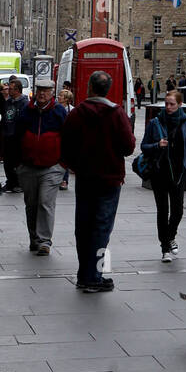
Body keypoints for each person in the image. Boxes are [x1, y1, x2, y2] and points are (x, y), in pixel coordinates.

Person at [60, 69, 136, 293]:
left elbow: (65, 147)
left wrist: (76, 166)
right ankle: (94, 277)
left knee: (83, 226)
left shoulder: (77, 114)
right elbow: (128, 146)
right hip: (110, 179)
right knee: (102, 228)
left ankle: (85, 275)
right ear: (108, 89)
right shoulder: (116, 113)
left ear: (89, 87)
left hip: (85, 178)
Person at [142, 88, 186, 260]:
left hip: (179, 173)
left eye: (172, 104)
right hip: (159, 172)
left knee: (178, 210)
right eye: (166, 103)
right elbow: (144, 146)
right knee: (162, 210)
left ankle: (171, 235)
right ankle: (165, 247)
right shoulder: (155, 122)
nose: (168, 107)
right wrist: (157, 145)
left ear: (180, 105)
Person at [15, 79, 68, 254]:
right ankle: (34, 238)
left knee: (45, 202)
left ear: (52, 92)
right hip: (28, 166)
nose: (42, 94)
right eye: (40, 90)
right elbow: (16, 136)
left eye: (46, 90)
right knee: (31, 204)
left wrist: (63, 164)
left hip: (52, 167)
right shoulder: (27, 111)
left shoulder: (59, 112)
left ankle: (45, 241)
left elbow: (70, 138)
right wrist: (17, 163)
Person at [0, 77, 29, 191]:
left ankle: (18, 183)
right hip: (8, 135)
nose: (9, 91)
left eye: (11, 89)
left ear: (17, 90)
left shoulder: (24, 103)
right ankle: (10, 181)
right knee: (7, 161)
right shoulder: (8, 102)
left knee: (17, 161)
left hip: (18, 137)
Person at [58, 86, 75, 190]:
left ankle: (64, 180)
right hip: (57, 137)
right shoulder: (56, 108)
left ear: (66, 99)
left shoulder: (72, 110)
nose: (59, 97)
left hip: (68, 138)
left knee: (65, 160)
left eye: (61, 96)